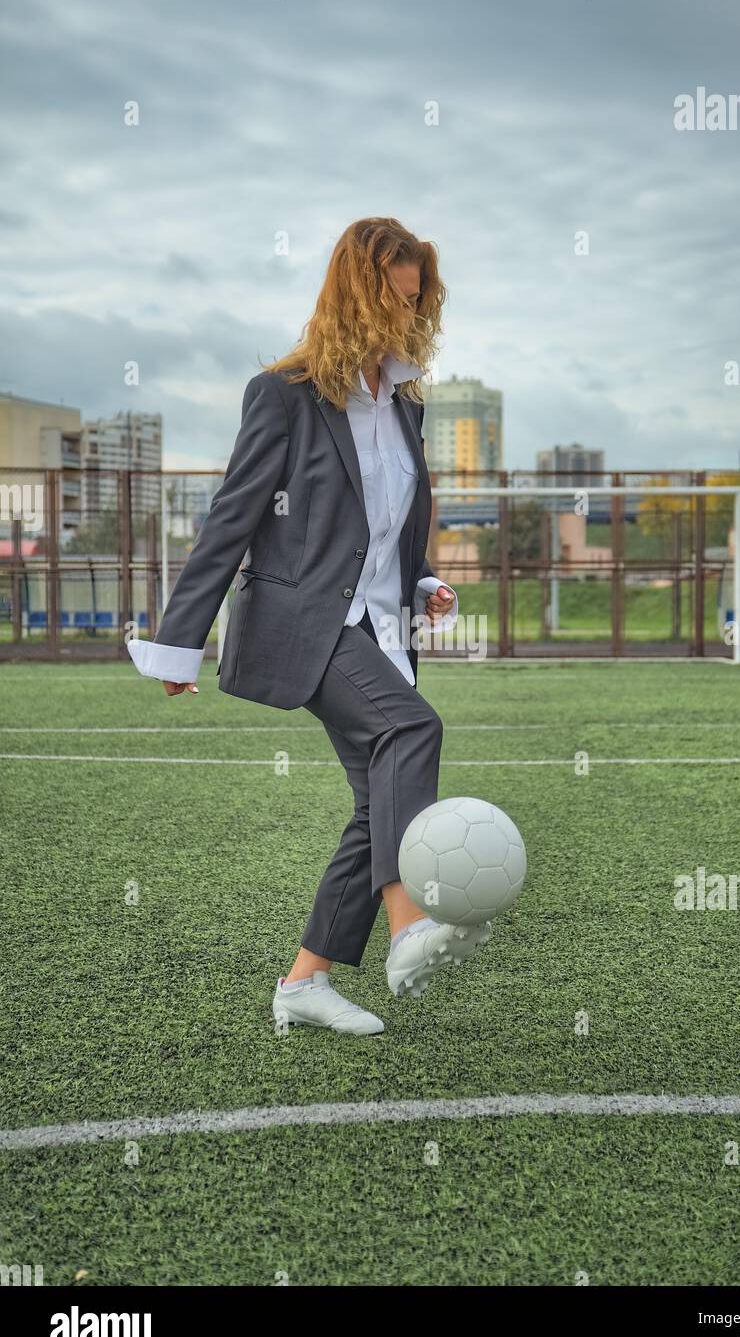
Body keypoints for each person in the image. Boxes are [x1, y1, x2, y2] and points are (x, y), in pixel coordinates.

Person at [127, 217, 492, 1037]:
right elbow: (231, 520)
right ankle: (409, 927)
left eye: (418, 300)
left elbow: (389, 523)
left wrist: (423, 579)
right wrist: (179, 642)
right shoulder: (284, 396)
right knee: (411, 730)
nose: (411, 314)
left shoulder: (405, 406)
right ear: (359, 295)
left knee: (376, 804)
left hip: (382, 628)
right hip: (306, 624)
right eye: (397, 297)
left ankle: (303, 982)